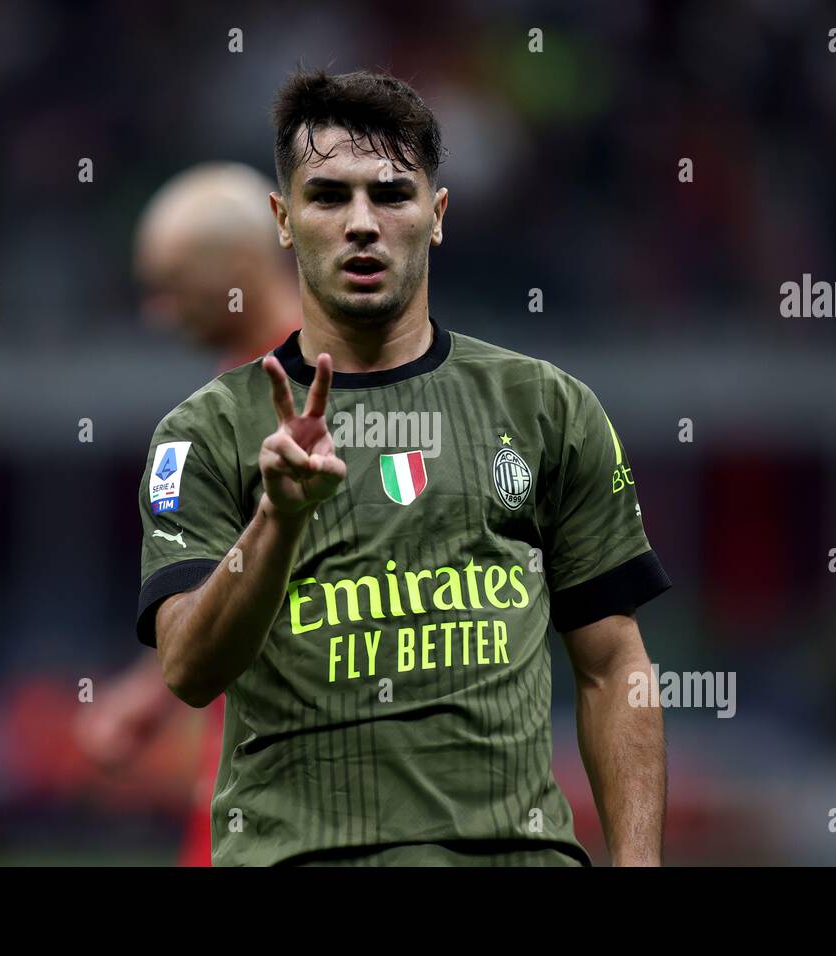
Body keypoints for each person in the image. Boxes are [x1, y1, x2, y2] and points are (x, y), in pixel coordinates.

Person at [136, 69, 671, 866]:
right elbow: (186, 668)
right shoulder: (205, 433)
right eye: (327, 197)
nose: (362, 223)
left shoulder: (547, 409)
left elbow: (612, 662)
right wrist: (278, 520)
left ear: (438, 215)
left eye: (391, 194)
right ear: (283, 222)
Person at [75, 162, 299, 866]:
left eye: (171, 289)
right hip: (244, 767)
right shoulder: (236, 388)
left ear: (237, 268)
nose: (159, 314)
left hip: (299, 777)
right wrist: (156, 693)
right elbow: (243, 578)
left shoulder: (311, 390)